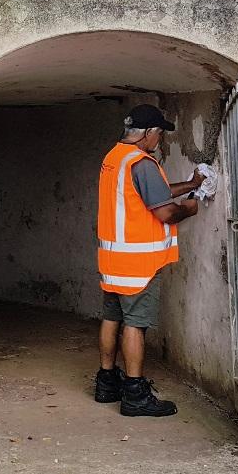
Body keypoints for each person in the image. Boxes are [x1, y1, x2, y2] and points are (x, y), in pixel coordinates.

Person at [93, 104, 205, 417]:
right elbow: (165, 210)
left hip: (113, 260)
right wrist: (190, 208)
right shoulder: (141, 162)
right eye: (159, 134)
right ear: (147, 133)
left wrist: (191, 185)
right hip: (138, 264)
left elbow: (153, 193)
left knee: (111, 318)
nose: (160, 140)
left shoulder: (114, 158)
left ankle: (106, 382)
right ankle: (134, 393)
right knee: (135, 324)